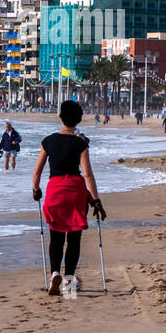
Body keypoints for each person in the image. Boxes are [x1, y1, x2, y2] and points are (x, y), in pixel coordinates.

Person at [32, 100, 106, 297]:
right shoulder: (80, 143)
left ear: (60, 117)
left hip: (55, 191)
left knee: (56, 237)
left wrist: (36, 190)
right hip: (75, 191)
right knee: (74, 239)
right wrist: (96, 200)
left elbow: (37, 170)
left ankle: (54, 273)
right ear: (79, 119)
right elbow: (88, 174)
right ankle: (69, 283)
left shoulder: (48, 141)